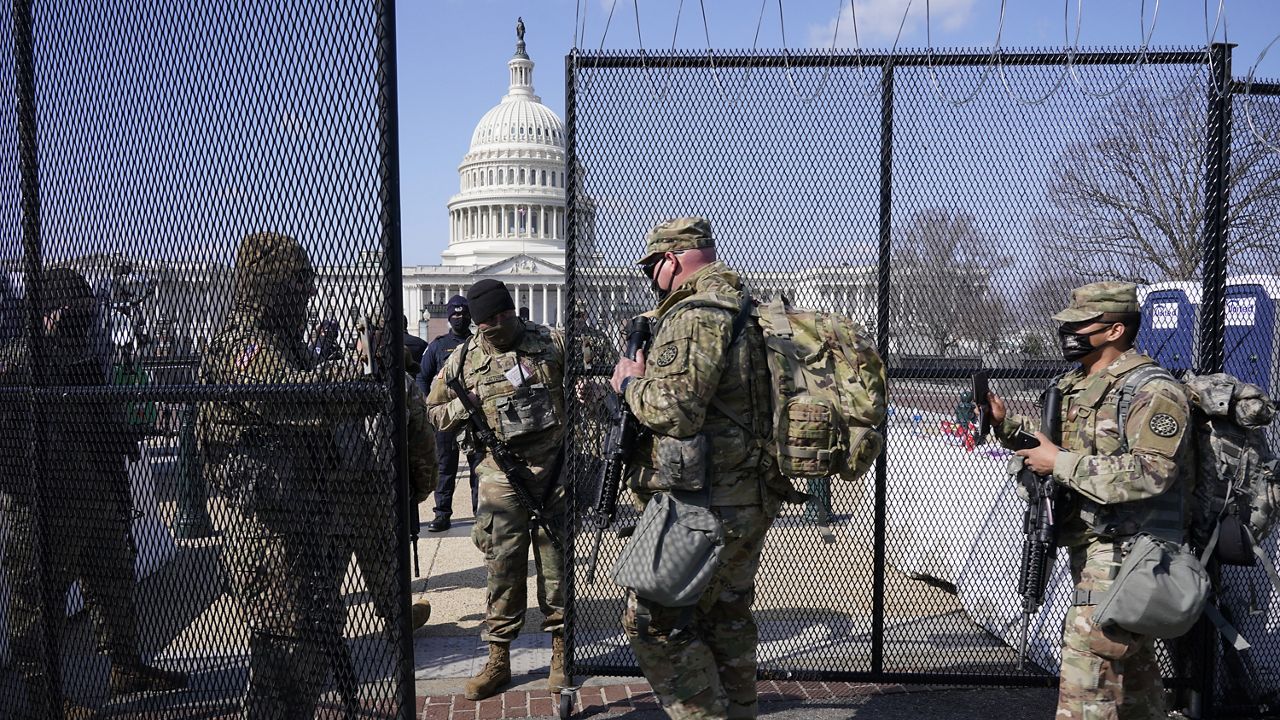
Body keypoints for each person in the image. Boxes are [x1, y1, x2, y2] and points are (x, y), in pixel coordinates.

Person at [985, 282, 1191, 720]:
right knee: (1130, 683)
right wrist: (1006, 426)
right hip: (1092, 543)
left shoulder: (1153, 390)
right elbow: (1057, 447)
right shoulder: (1080, 383)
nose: (1069, 333)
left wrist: (1058, 462)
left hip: (1127, 551)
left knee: (1086, 681)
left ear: (1115, 330)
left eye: (1080, 326)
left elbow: (1152, 473)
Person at [609, 216, 782, 720]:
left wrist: (628, 383)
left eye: (652, 267)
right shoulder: (747, 306)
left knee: (654, 625)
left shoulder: (696, 314)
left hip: (704, 506)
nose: (652, 280)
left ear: (673, 259)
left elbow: (675, 410)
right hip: (748, 494)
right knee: (725, 619)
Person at [198, 232, 374, 719]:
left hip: (296, 517)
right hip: (267, 531)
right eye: (299, 282)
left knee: (308, 641)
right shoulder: (247, 344)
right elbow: (293, 399)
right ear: (270, 285)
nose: (309, 293)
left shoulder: (280, 339)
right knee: (285, 648)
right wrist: (357, 379)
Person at [0, 267, 186, 719]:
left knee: (114, 578)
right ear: (49, 315)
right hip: (41, 505)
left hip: (93, 493)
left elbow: (102, 419)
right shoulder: (17, 362)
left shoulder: (82, 358)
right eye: (75, 314)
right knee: (38, 607)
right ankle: (46, 702)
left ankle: (125, 667)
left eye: (89, 313)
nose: (85, 323)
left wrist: (131, 433)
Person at [425, 279, 568, 700]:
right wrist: (465, 404)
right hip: (500, 476)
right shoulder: (462, 361)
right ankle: (499, 657)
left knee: (556, 565)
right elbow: (433, 412)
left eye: (506, 316)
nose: (500, 325)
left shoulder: (550, 343)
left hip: (553, 471)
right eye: (490, 320)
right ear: (477, 321)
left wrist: (586, 393)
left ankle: (561, 650)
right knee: (502, 568)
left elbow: (593, 389)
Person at [333, 318, 439, 634]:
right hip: (376, 489)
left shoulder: (335, 377)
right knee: (381, 563)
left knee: (331, 569)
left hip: (339, 490)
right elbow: (423, 445)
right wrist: (419, 489)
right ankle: (396, 620)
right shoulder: (401, 383)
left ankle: (327, 629)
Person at [417, 295, 479, 532]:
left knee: (478, 467)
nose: (459, 318)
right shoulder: (438, 345)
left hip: (474, 415)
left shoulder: (478, 343)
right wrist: (428, 403)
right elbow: (423, 376)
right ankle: (442, 513)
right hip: (447, 414)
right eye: (455, 314)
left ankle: (479, 514)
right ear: (449, 316)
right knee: (445, 468)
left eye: (463, 314)